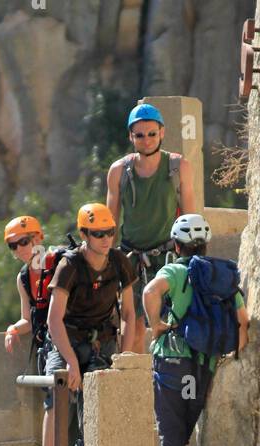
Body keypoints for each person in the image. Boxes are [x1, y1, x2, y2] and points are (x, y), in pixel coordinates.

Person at [143, 213, 249, 446]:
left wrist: (155, 325)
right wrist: (227, 355)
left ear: (176, 246)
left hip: (172, 363)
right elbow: (244, 322)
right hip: (203, 368)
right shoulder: (220, 276)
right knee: (178, 434)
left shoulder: (176, 272)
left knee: (171, 436)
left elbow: (150, 291)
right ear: (205, 245)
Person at [35, 202, 137, 446]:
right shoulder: (70, 266)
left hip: (99, 341)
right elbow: (54, 320)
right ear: (84, 235)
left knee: (93, 405)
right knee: (59, 392)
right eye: (98, 234)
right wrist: (70, 362)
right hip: (66, 339)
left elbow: (130, 314)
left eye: (110, 232)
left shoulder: (119, 262)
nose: (106, 239)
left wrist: (124, 356)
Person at [107, 101, 195, 355]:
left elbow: (189, 216)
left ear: (162, 133)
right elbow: (110, 222)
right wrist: (106, 263)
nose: (146, 140)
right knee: (132, 325)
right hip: (130, 257)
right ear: (131, 137)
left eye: (152, 134)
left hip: (167, 254)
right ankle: (131, 383)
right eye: (140, 135)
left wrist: (191, 258)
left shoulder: (178, 167)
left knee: (171, 321)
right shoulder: (119, 171)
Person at [3, 215, 59, 446]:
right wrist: (14, 329)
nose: (20, 249)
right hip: (46, 344)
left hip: (72, 337)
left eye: (24, 241)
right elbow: (28, 317)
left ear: (39, 237)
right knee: (54, 402)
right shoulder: (24, 278)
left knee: (69, 402)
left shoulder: (60, 261)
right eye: (13, 245)